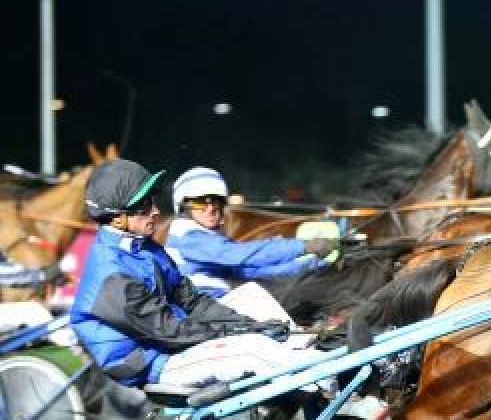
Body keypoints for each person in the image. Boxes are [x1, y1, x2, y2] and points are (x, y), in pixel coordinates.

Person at [69, 158, 328, 389]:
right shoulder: (112, 275)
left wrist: (250, 324)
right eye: (144, 207)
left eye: (153, 202)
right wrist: (240, 331)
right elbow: (169, 332)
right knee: (252, 350)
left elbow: (193, 301)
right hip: (150, 363)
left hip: (169, 341)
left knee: (260, 328)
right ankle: (334, 385)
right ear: (116, 218)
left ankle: (311, 359)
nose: (156, 212)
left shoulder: (146, 248)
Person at [165, 166, 336, 300]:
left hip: (217, 305)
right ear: (183, 207)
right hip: (200, 312)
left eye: (216, 201)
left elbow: (252, 271)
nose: (210, 209)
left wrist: (314, 264)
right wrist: (303, 245)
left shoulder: (207, 240)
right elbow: (241, 255)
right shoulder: (188, 238)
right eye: (200, 203)